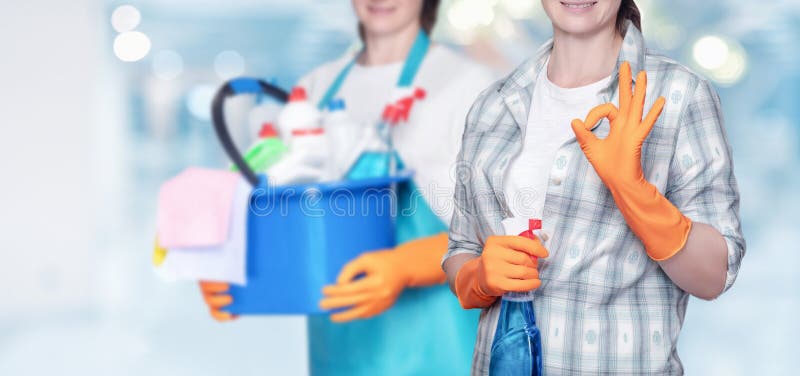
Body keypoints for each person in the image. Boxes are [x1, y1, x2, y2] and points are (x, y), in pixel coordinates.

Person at [442, 0, 745, 374]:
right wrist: (479, 278)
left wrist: (634, 193)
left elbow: (714, 276)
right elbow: (461, 249)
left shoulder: (679, 96)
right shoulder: (493, 105)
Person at [200, 0, 495, 374]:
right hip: (340, 348)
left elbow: (500, 227)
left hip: (436, 344)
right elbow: (294, 214)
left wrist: (404, 266)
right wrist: (235, 267)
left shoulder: (469, 85)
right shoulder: (316, 87)